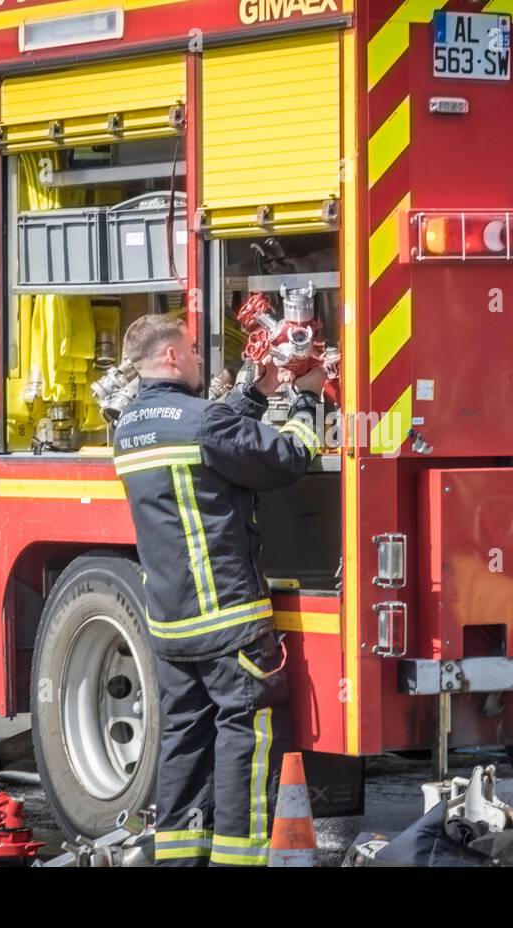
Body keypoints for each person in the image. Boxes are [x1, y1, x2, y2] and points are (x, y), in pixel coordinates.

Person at [112, 313, 325, 866]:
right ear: (171, 358)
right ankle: (239, 859)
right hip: (228, 619)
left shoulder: (130, 427)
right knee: (245, 739)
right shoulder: (203, 423)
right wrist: (307, 397)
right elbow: (288, 458)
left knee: (183, 738)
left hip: (170, 625)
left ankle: (179, 859)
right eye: (192, 350)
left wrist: (258, 390)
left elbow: (213, 432)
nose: (200, 359)